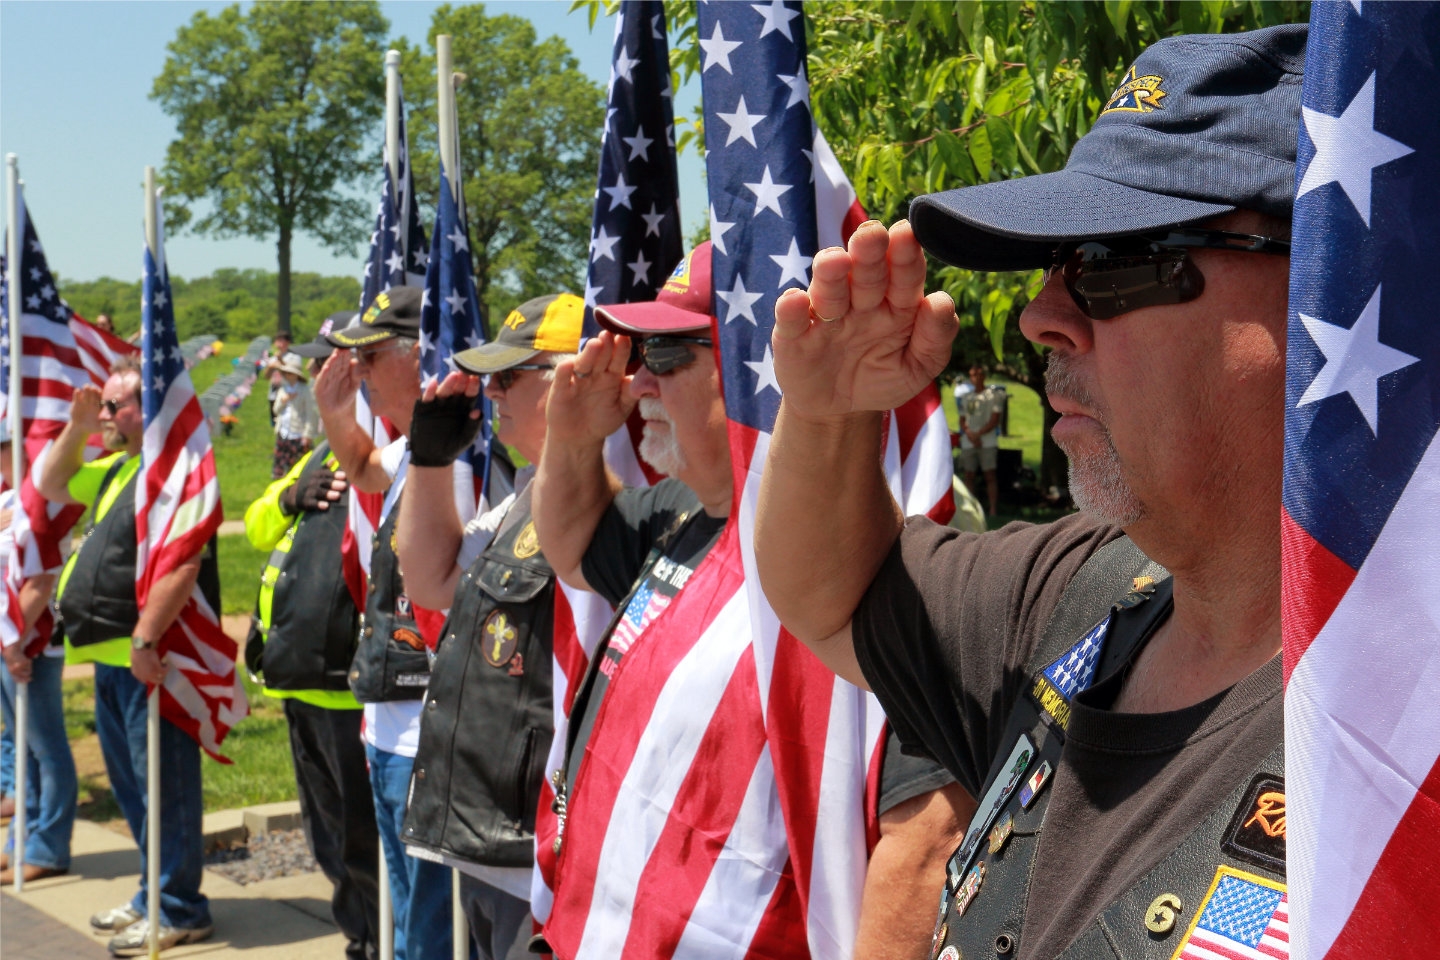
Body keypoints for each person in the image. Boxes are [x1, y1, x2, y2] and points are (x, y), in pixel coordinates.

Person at [755, 25, 1303, 960]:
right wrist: (829, 413)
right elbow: (832, 595)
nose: (1042, 317)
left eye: (1112, 260)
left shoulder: (1394, 736)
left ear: (1322, 288)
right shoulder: (1083, 592)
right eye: (1055, 265)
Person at [532, 243, 968, 960]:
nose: (639, 383)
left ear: (757, 368)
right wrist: (572, 439)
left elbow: (927, 841)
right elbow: (571, 545)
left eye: (666, 355)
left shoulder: (864, 572)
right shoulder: (685, 513)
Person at [396, 292, 584, 960]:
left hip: (544, 849)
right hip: (488, 839)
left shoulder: (611, 494)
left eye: (508, 375)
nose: (492, 392)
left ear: (566, 377)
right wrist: (429, 460)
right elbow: (429, 579)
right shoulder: (526, 492)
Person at [37, 355, 220, 955]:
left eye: (117, 405)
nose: (108, 415)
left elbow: (184, 561)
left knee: (166, 791)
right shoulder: (119, 468)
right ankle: (151, 893)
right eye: (107, 406)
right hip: (113, 661)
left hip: (151, 660)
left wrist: (145, 637)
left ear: (153, 406)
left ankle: (181, 907)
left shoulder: (177, 472)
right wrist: (78, 425)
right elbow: (50, 484)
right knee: (135, 793)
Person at [314, 286, 454, 960]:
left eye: (370, 356)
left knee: (428, 933)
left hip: (426, 732)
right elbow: (366, 470)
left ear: (418, 353)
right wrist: (334, 413)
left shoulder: (460, 460)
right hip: (386, 727)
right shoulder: (411, 451)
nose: (358, 370)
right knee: (403, 921)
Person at [243, 327, 380, 960]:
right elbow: (255, 524)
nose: (320, 377)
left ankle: (377, 940)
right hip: (297, 677)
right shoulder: (319, 452)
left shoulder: (384, 447)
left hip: (348, 692)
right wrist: (289, 497)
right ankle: (360, 935)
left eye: (329, 364)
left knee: (362, 837)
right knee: (327, 832)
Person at [0, 418, 75, 885]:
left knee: (46, 748)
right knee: (23, 745)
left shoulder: (43, 503)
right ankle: (20, 843)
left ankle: (48, 849)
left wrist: (14, 642)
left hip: (31, 641)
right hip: (6, 637)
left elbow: (41, 580)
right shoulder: (9, 498)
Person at [958, 363, 1004, 517]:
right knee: (968, 476)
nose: (975, 378)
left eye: (977, 375)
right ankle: (970, 509)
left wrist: (978, 434)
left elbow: (994, 420)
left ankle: (993, 509)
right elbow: (962, 420)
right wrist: (970, 434)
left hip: (987, 442)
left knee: (989, 475)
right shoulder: (966, 397)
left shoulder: (993, 396)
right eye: (972, 375)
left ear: (983, 376)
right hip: (969, 441)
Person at [270, 351, 320, 478]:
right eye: (285, 373)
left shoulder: (305, 390)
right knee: (281, 464)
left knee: (299, 467)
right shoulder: (283, 389)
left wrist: (308, 434)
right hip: (284, 432)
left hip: (298, 433)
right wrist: (284, 400)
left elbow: (311, 414)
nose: (287, 376)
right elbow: (276, 410)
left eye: (290, 373)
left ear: (296, 375)